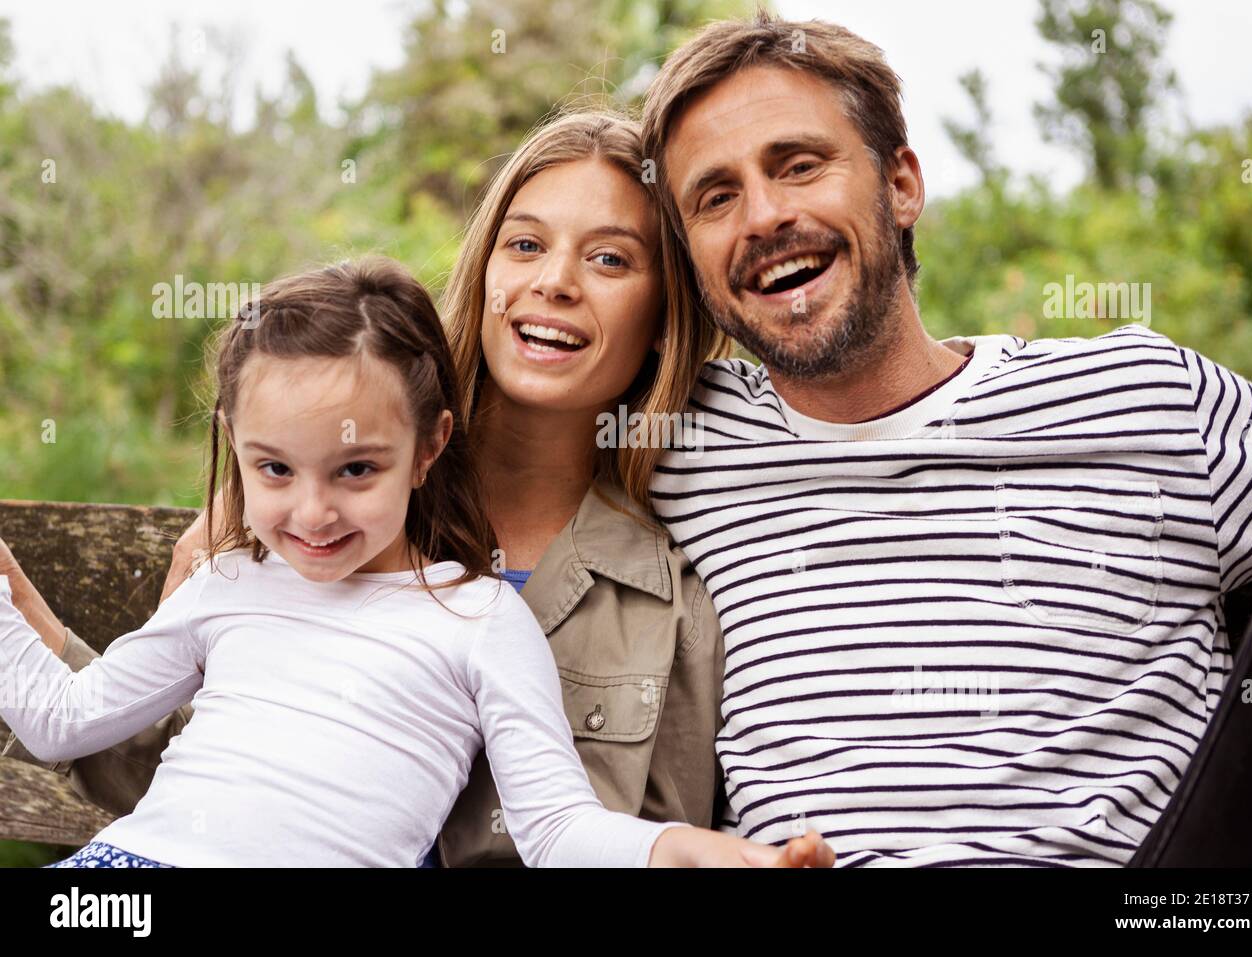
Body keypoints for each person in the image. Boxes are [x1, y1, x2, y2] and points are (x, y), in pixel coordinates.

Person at [636, 12, 1252, 866]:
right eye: (715, 197)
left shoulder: (1148, 401)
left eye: (799, 165)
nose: (763, 215)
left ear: (902, 184)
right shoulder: (673, 442)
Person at [0, 112, 748, 867]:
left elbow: (584, 830)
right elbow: (203, 777)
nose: (554, 282)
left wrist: (698, 850)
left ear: (665, 315)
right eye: (524, 244)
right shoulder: (273, 534)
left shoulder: (655, 599)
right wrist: (46, 644)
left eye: (611, 260)